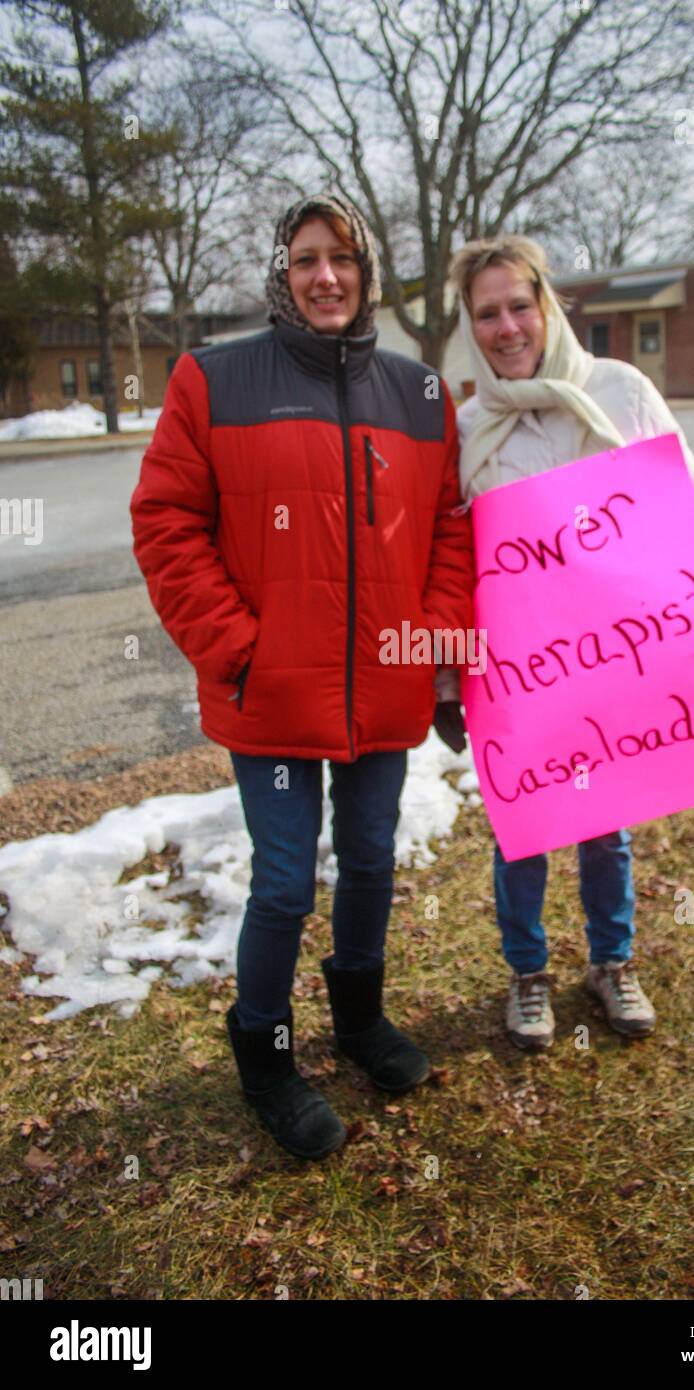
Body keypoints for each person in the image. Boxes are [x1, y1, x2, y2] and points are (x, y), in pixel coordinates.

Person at [130, 193, 474, 1160]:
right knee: (284, 884)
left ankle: (359, 1024)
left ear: (367, 272)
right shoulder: (213, 378)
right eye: (305, 258)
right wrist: (237, 647)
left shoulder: (419, 393)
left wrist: (435, 639)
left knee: (370, 861)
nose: (326, 275)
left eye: (344, 258)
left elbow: (451, 527)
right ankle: (268, 1059)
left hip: (389, 687)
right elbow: (166, 523)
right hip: (272, 693)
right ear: (281, 272)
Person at [435, 235, 694, 1050]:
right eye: (488, 313)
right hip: (525, 671)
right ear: (468, 326)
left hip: (624, 654)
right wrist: (446, 685)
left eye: (520, 304)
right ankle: (527, 974)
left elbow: (687, 504)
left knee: (607, 822)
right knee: (526, 825)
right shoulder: (465, 425)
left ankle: (612, 962)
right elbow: (447, 564)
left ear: (547, 302)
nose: (507, 325)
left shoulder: (621, 391)